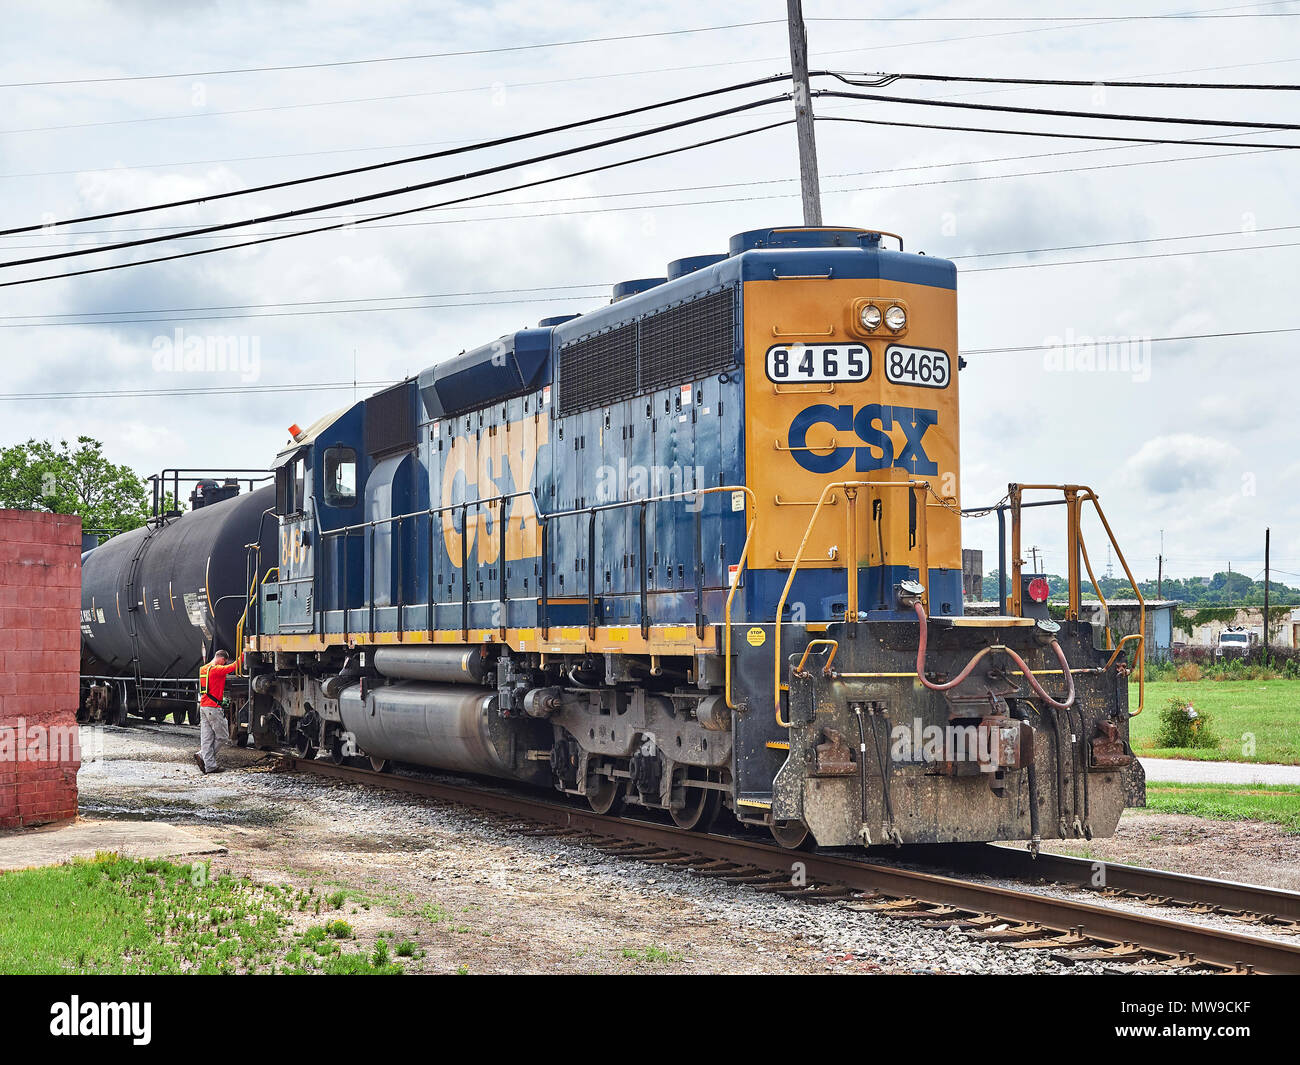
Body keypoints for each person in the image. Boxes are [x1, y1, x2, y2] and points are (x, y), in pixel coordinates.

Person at [195, 650, 239, 774]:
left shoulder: (203, 669)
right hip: (213, 707)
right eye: (224, 661)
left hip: (204, 706)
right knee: (223, 735)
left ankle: (210, 766)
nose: (224, 664)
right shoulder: (216, 669)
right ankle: (203, 756)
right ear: (221, 658)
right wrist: (245, 653)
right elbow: (233, 667)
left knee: (207, 738)